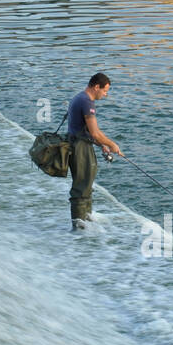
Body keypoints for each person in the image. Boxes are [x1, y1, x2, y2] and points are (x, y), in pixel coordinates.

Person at [66, 73, 122, 230]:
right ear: (96, 86)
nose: (106, 94)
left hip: (80, 144)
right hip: (80, 148)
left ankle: (86, 220)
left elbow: (89, 132)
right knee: (81, 186)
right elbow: (95, 133)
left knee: (86, 184)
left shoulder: (79, 97)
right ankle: (79, 229)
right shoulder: (87, 102)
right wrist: (112, 145)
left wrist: (100, 144)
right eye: (105, 91)